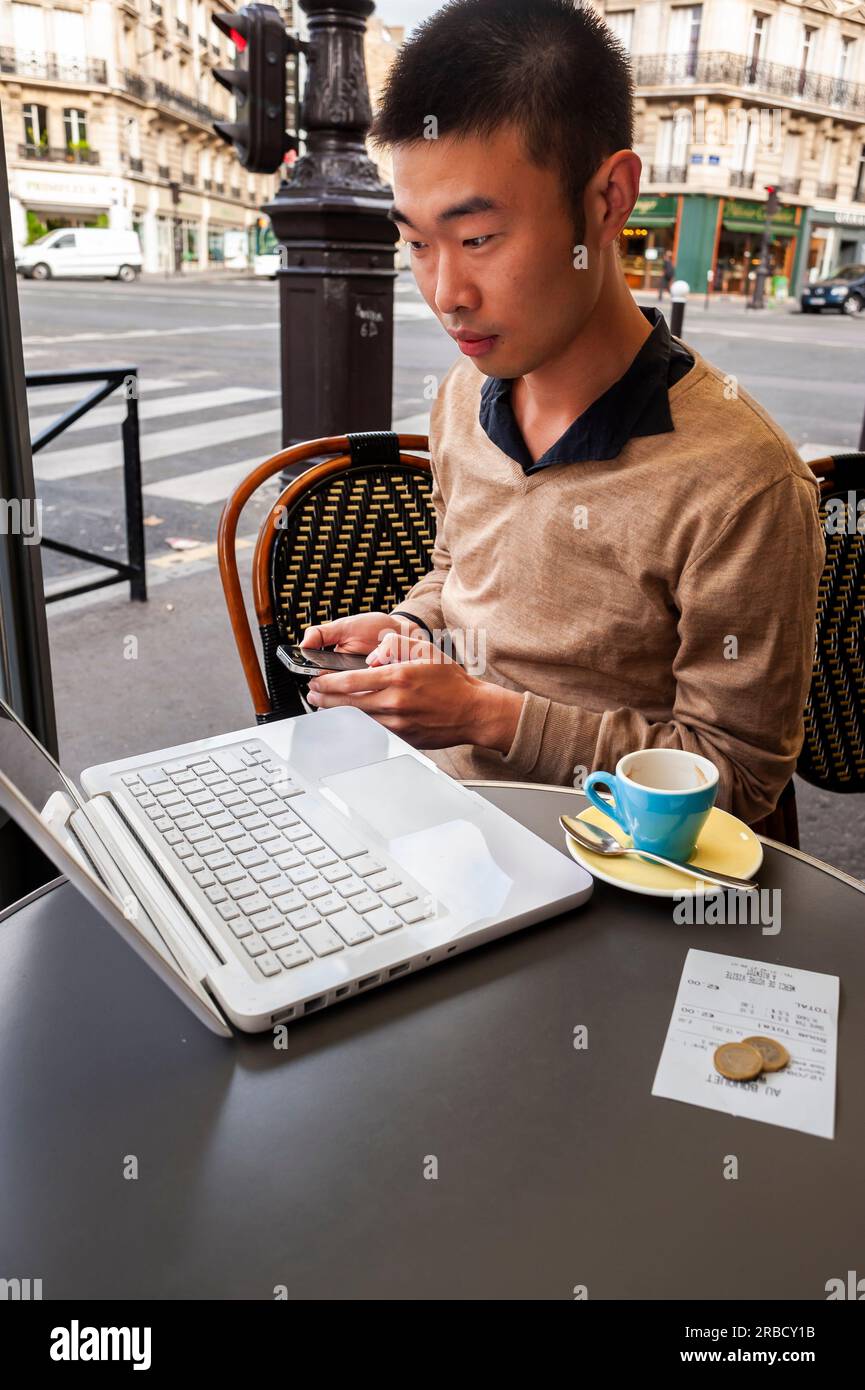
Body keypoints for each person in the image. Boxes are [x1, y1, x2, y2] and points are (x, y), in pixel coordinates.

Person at [300, 0, 824, 832]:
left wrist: (484, 718)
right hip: (436, 818)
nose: (445, 295)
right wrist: (407, 628)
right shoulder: (462, 394)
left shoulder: (742, 483)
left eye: (477, 239)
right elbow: (458, 568)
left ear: (608, 199)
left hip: (615, 864)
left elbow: (737, 782)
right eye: (417, 242)